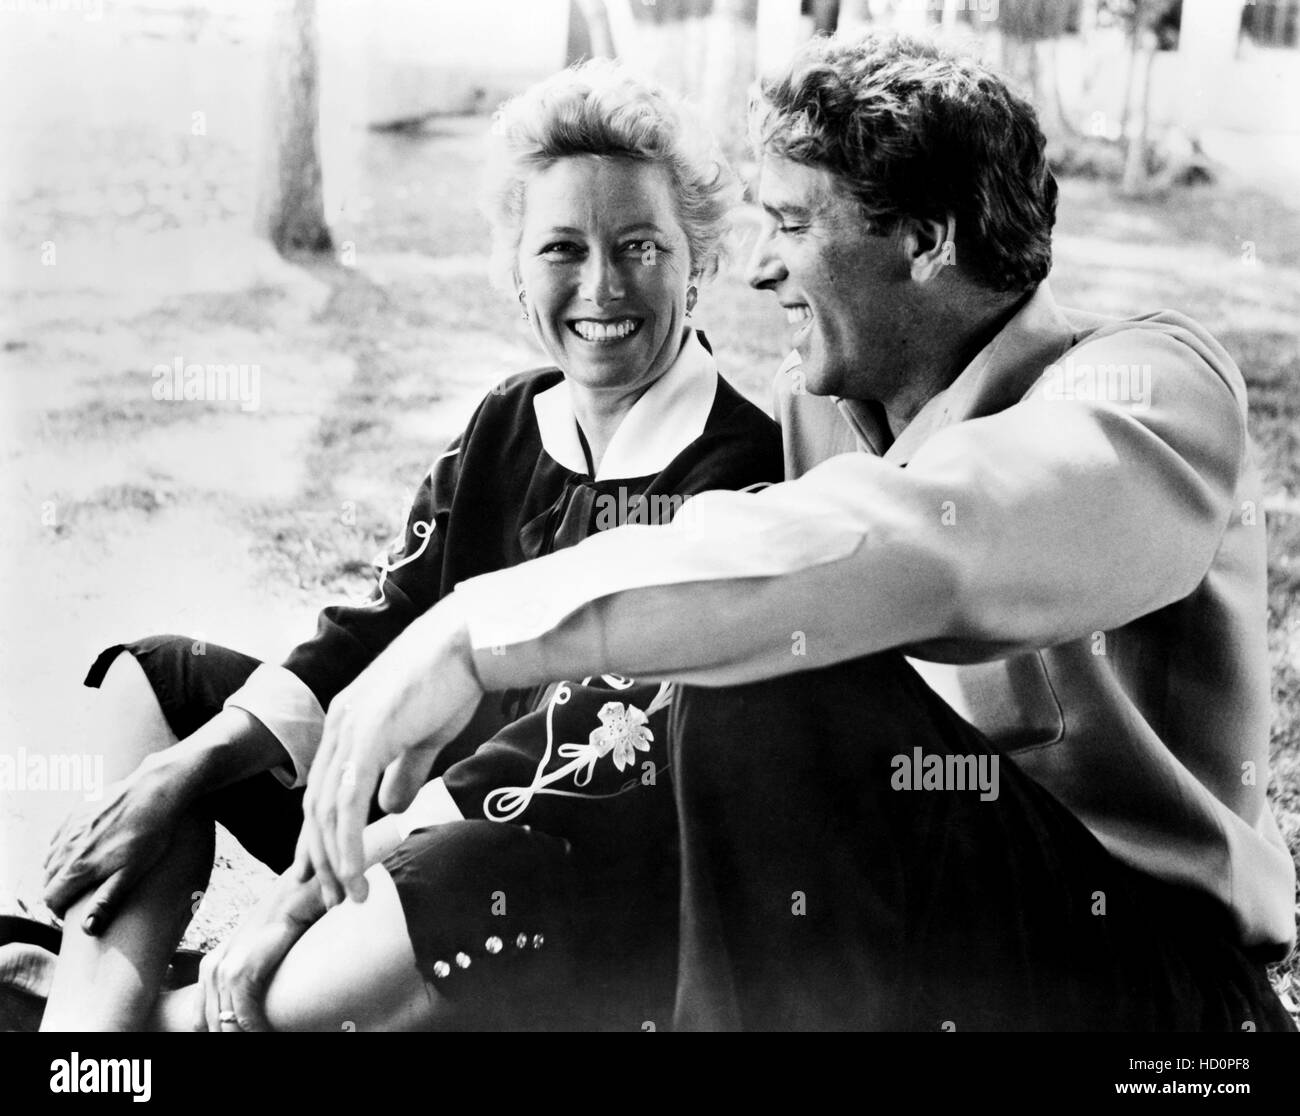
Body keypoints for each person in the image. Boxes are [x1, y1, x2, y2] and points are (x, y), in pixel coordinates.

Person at [294, 33, 1298, 1032]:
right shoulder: (823, 410)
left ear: (924, 238)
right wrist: (417, 833)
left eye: (790, 225)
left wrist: (481, 626)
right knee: (667, 749)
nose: (761, 269)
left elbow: (938, 542)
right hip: (933, 938)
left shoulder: (1150, 391)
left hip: (1152, 981)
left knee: (778, 677)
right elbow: (673, 669)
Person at [36, 60, 782, 1032]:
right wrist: (189, 768)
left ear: (702, 260)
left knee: (448, 878)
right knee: (163, 691)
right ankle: (94, 1030)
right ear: (515, 267)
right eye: (561, 247)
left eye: (639, 245)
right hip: (392, 821)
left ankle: (133, 1017)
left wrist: (296, 896)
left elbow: (599, 747)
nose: (601, 285)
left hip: (533, 865)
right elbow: (378, 627)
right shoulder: (510, 420)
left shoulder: (738, 467)